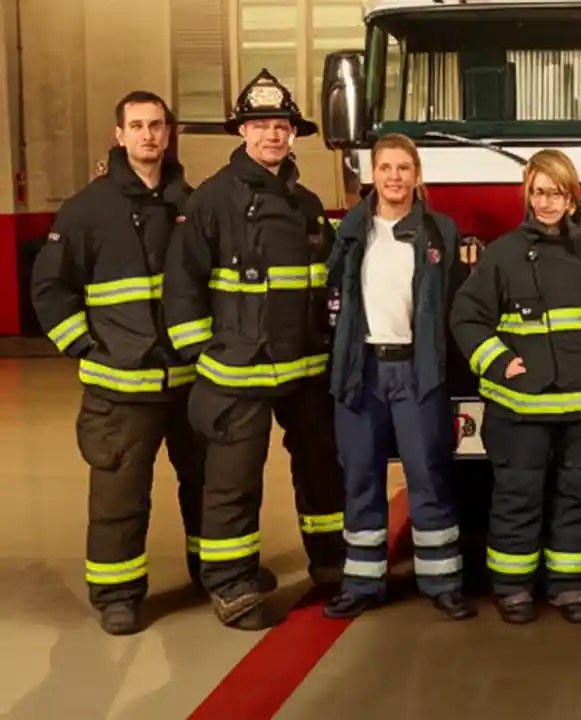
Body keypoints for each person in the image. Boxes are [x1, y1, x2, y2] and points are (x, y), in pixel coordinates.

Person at [29, 91, 248, 635]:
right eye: (137, 126)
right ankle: (118, 594)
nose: (148, 135)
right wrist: (84, 345)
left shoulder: (192, 206)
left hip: (190, 381)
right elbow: (50, 288)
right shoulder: (87, 210)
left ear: (168, 134)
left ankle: (212, 573)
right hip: (120, 386)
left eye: (156, 125)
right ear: (119, 135)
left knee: (205, 486)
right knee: (119, 495)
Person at [162, 69, 346, 630]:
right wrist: (205, 357)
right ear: (242, 131)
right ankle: (233, 586)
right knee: (233, 482)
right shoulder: (212, 200)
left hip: (305, 370)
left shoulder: (308, 202)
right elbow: (182, 285)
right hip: (236, 372)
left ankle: (333, 565)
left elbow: (328, 284)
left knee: (322, 472)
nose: (272, 134)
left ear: (294, 134)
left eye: (281, 125)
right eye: (261, 124)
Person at [450, 149, 581, 624]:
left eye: (555, 192)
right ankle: (513, 588)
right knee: (519, 495)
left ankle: (568, 586)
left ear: (572, 199)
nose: (545, 202)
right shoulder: (502, 254)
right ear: (527, 195)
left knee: (577, 497)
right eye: (537, 192)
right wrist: (499, 362)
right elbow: (466, 317)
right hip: (521, 406)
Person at [321, 133, 475, 621]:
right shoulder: (348, 232)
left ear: (417, 174)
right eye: (385, 168)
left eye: (403, 168)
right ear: (373, 174)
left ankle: (442, 580)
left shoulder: (440, 233)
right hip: (360, 370)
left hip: (418, 369)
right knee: (360, 476)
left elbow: (453, 301)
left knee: (428, 473)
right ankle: (361, 583)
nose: (393, 177)